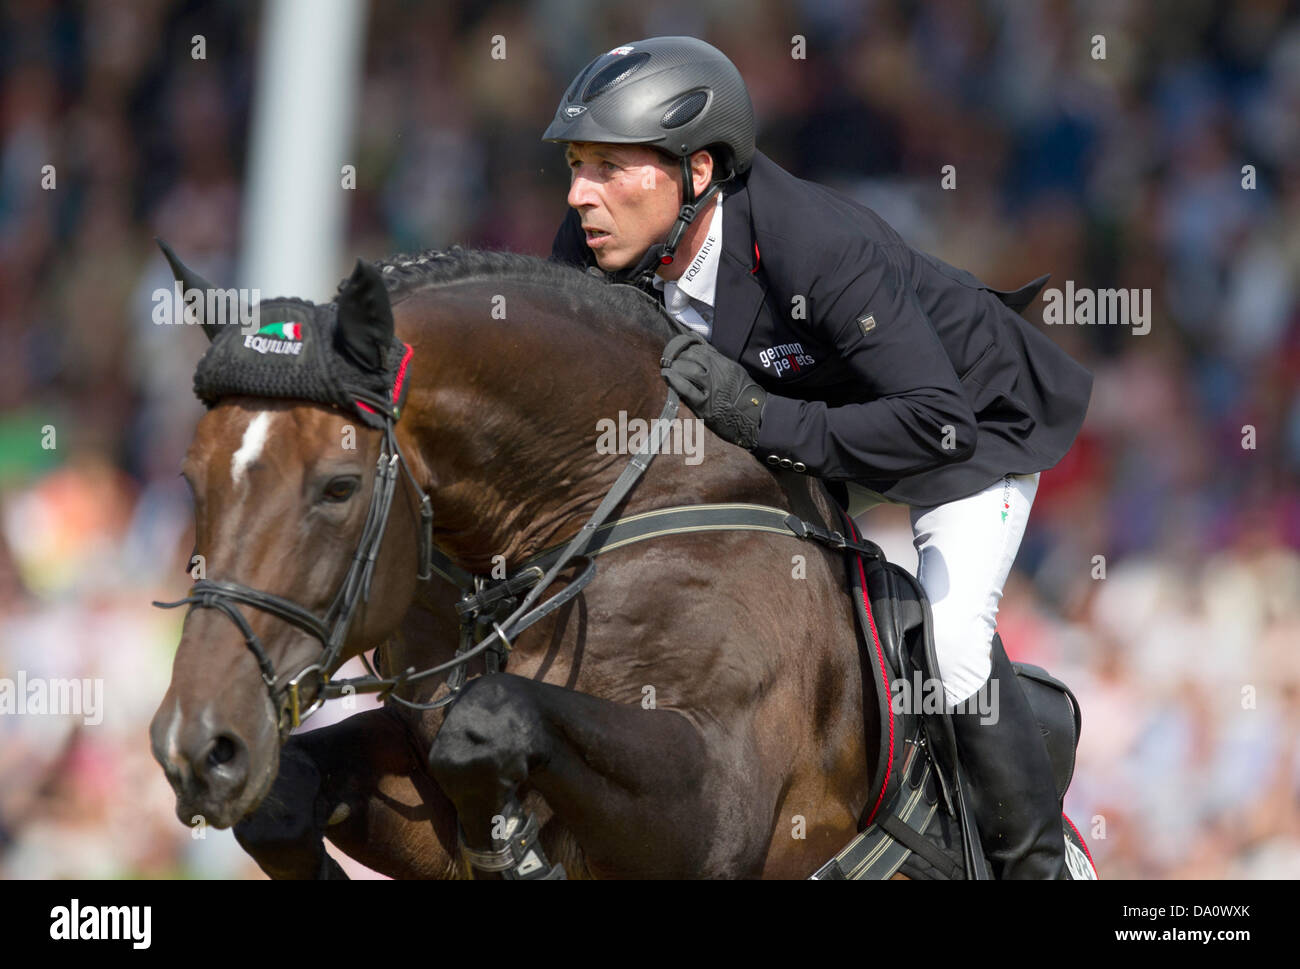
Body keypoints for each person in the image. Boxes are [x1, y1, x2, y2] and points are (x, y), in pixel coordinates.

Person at [542, 36, 1093, 879]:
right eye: (577, 165)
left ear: (697, 173)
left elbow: (932, 424)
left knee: (950, 648)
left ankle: (1041, 866)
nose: (582, 194)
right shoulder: (595, 247)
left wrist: (758, 415)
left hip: (965, 423)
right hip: (823, 425)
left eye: (611, 168)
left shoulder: (815, 245)